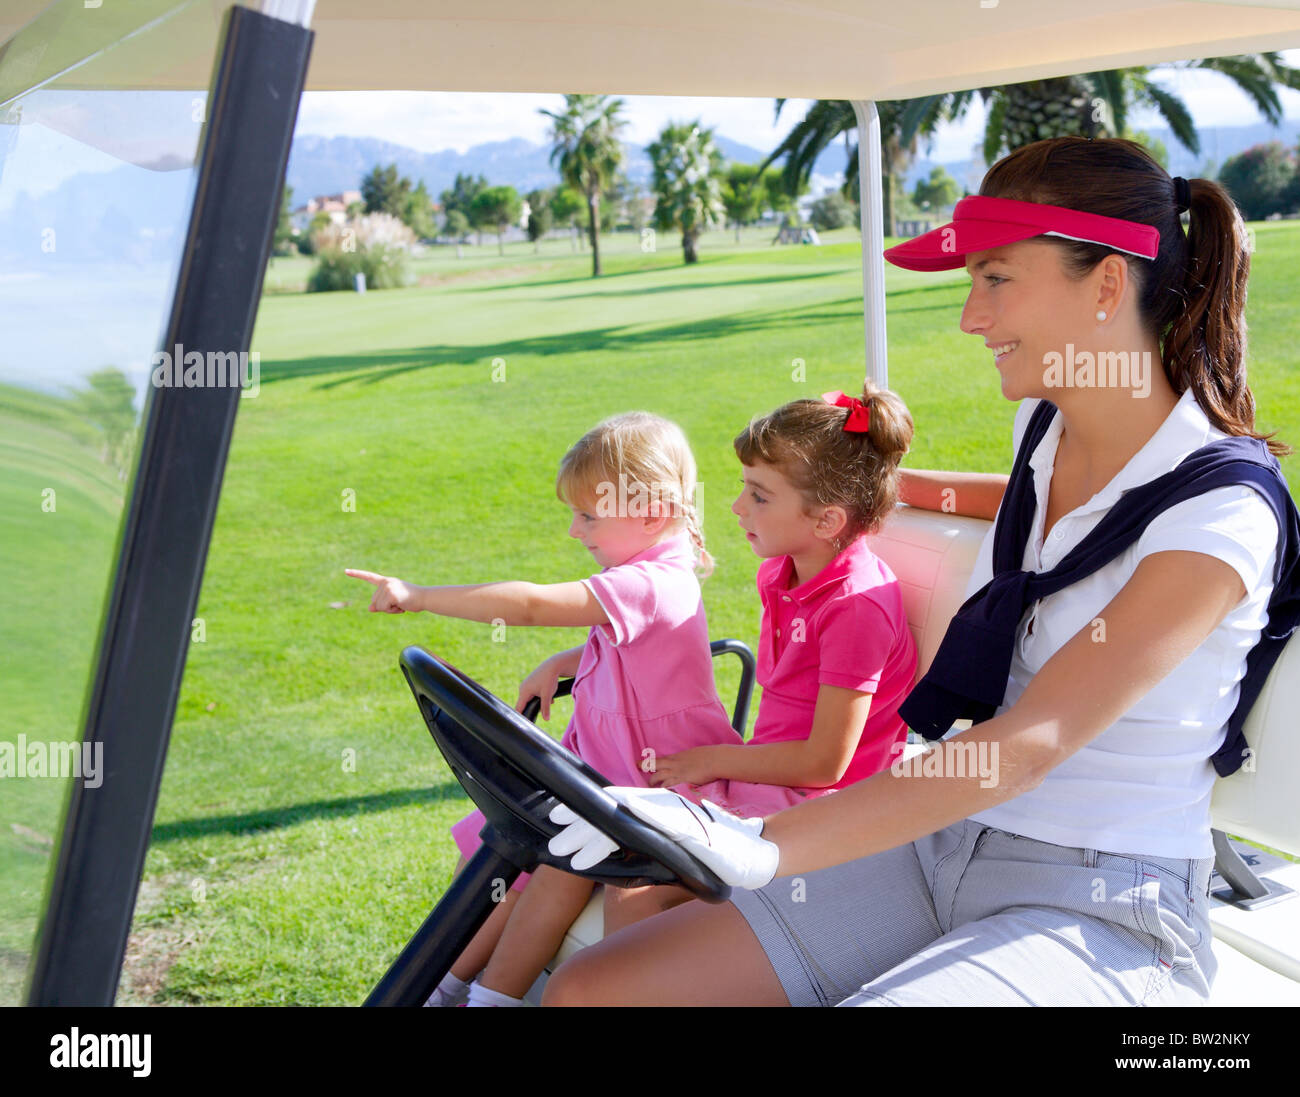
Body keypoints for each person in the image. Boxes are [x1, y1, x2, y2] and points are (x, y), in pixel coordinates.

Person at [540, 136, 1299, 1007]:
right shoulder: (1046, 432)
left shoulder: (1219, 512)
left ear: (1106, 285)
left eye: (997, 279)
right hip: (949, 839)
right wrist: (896, 487)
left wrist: (757, 841)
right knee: (595, 990)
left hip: (1103, 902)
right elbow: (1017, 503)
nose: (971, 318)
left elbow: (1030, 741)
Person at [346, 411, 746, 1007]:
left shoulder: (653, 583)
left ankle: (484, 997)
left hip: (654, 782)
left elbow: (531, 605)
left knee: (553, 861)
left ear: (653, 513)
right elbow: (628, 643)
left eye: (588, 515)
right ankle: (443, 985)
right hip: (606, 776)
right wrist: (563, 664)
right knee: (498, 848)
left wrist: (420, 596)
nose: (574, 531)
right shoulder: (645, 573)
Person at [603, 383, 920, 934]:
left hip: (826, 813)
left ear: (826, 521)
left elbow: (826, 765)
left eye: (759, 495)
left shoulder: (856, 607)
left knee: (635, 887)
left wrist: (712, 761)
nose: (735, 506)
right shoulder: (781, 571)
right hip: (771, 783)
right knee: (600, 833)